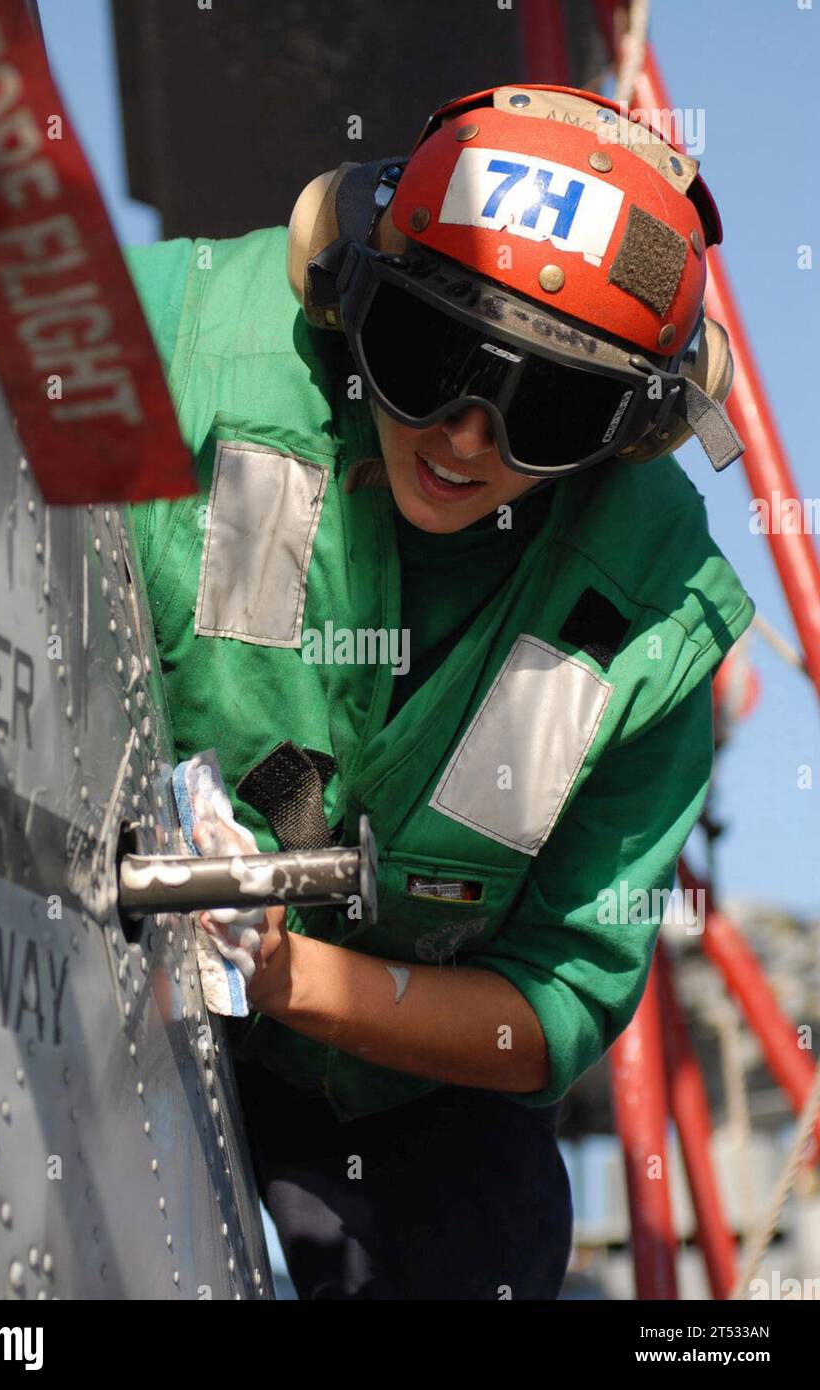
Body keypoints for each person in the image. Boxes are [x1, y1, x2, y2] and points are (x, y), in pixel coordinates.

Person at [124, 83, 754, 1300]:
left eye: (549, 407)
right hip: (103, 954)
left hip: (400, 1088)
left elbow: (547, 1008)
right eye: (427, 356)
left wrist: (285, 975)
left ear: (630, 430)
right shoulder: (185, 339)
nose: (466, 438)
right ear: (348, 291)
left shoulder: (654, 617)